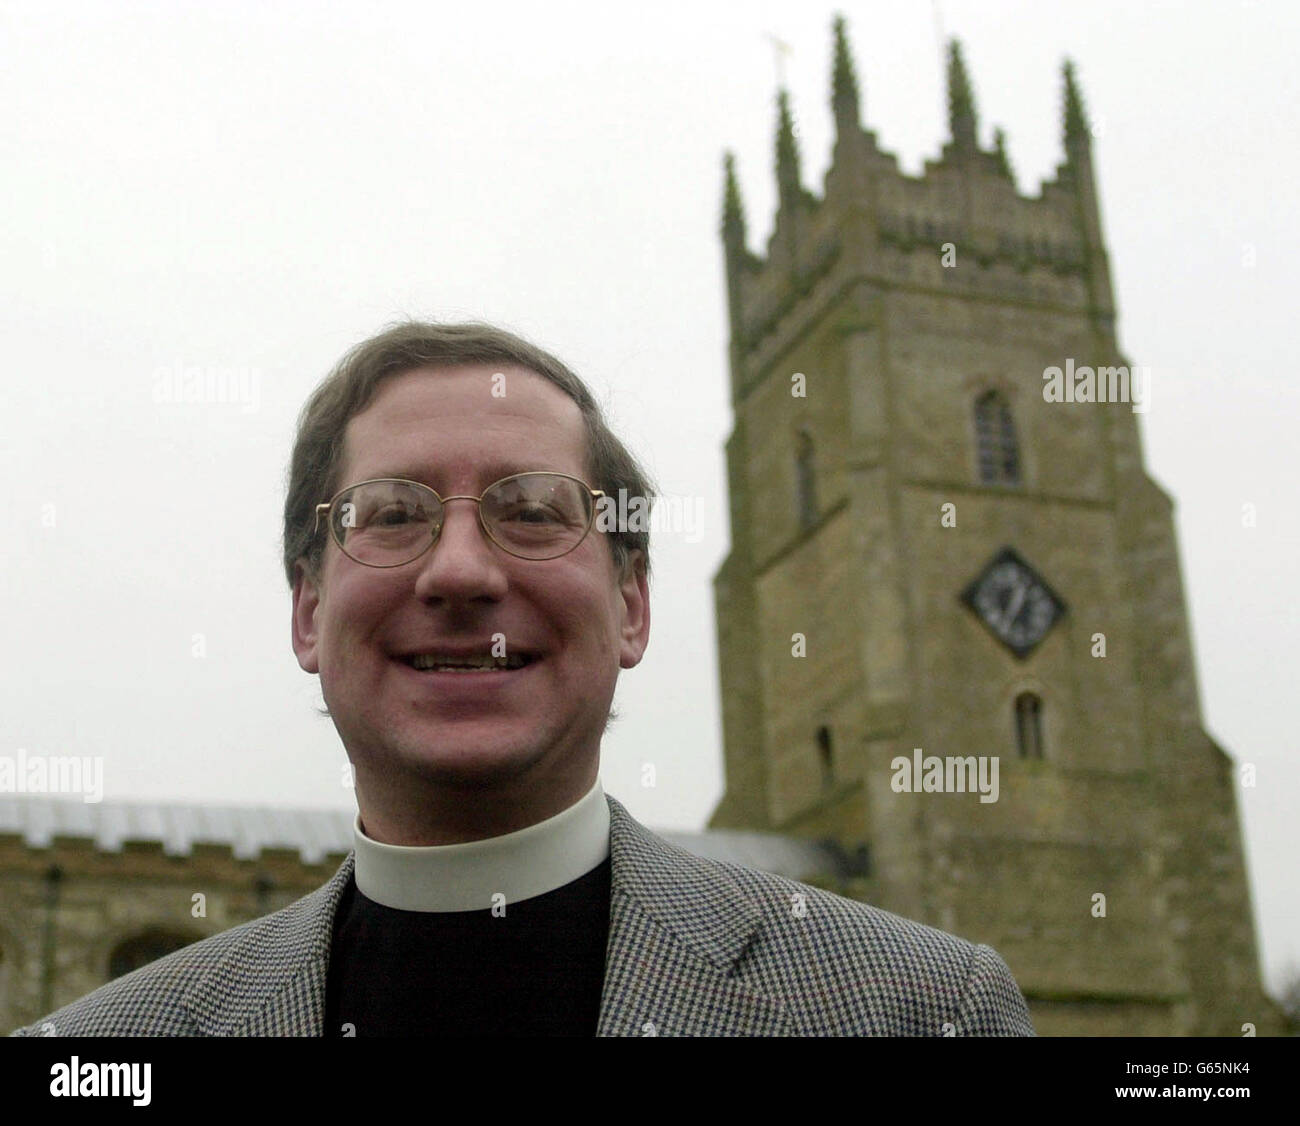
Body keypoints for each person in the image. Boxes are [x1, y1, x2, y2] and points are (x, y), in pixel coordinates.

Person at [11, 321, 1034, 1036]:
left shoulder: (924, 1008)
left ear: (631, 604)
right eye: (394, 513)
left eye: (535, 509)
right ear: (307, 610)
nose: (460, 570)